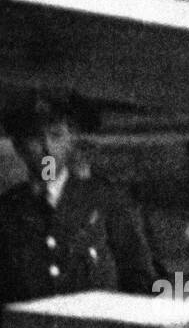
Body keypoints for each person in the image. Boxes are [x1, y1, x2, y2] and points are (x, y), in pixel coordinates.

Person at [0, 90, 156, 304]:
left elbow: (140, 281)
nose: (47, 149)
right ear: (19, 147)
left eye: (56, 136)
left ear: (71, 141)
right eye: (35, 138)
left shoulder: (107, 200)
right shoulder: (8, 211)